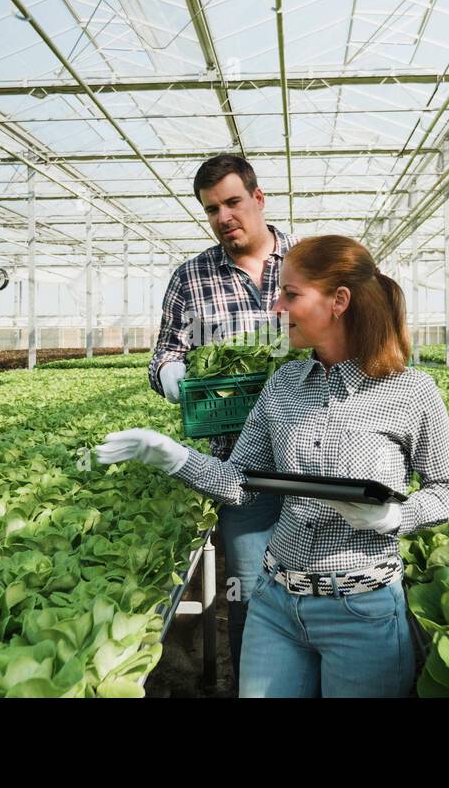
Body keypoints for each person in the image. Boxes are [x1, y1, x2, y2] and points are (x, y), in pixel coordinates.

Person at [100, 234, 449, 697]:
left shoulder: (411, 391)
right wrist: (170, 456)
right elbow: (241, 483)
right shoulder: (284, 384)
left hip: (362, 611)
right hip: (275, 603)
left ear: (339, 301)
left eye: (291, 294)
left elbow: (448, 488)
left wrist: (397, 515)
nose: (276, 306)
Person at [146, 154, 295, 688]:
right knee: (251, 595)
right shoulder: (191, 277)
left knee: (329, 592)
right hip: (239, 473)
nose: (224, 216)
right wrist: (175, 378)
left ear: (258, 198)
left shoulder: (312, 264)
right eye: (212, 209)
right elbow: (164, 354)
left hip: (322, 464)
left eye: (233, 202)